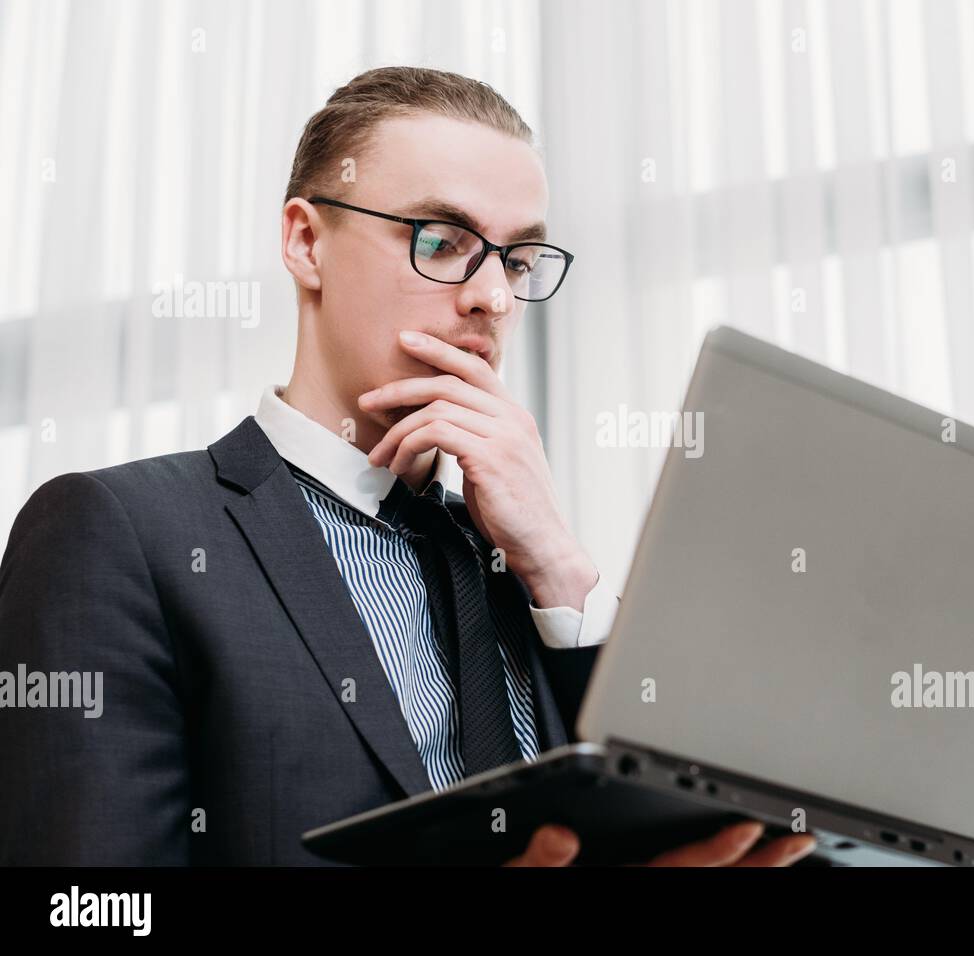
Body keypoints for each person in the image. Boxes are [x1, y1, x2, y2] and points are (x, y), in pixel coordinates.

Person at [0, 66, 816, 867]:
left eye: (518, 260)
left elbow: (701, 807)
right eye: (444, 241)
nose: (492, 297)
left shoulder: (535, 582)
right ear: (306, 241)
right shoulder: (117, 533)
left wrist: (560, 564)